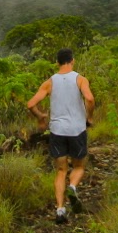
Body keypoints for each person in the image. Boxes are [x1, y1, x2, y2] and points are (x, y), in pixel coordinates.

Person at [26, 48, 95, 224]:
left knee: (61, 170)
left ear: (57, 63)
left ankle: (60, 210)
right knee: (78, 166)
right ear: (73, 60)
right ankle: (72, 187)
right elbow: (89, 98)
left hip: (57, 131)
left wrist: (40, 117)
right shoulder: (80, 79)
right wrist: (89, 117)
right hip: (77, 130)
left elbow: (31, 104)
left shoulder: (49, 82)